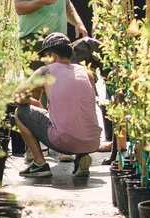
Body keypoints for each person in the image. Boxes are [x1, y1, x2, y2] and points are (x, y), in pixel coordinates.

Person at [14, 32, 101, 180]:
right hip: (92, 141)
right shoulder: (86, 72)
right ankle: (81, 157)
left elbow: (17, 96)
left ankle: (40, 164)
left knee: (19, 112)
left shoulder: (45, 71)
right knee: (79, 111)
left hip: (63, 141)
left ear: (53, 56)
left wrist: (33, 102)